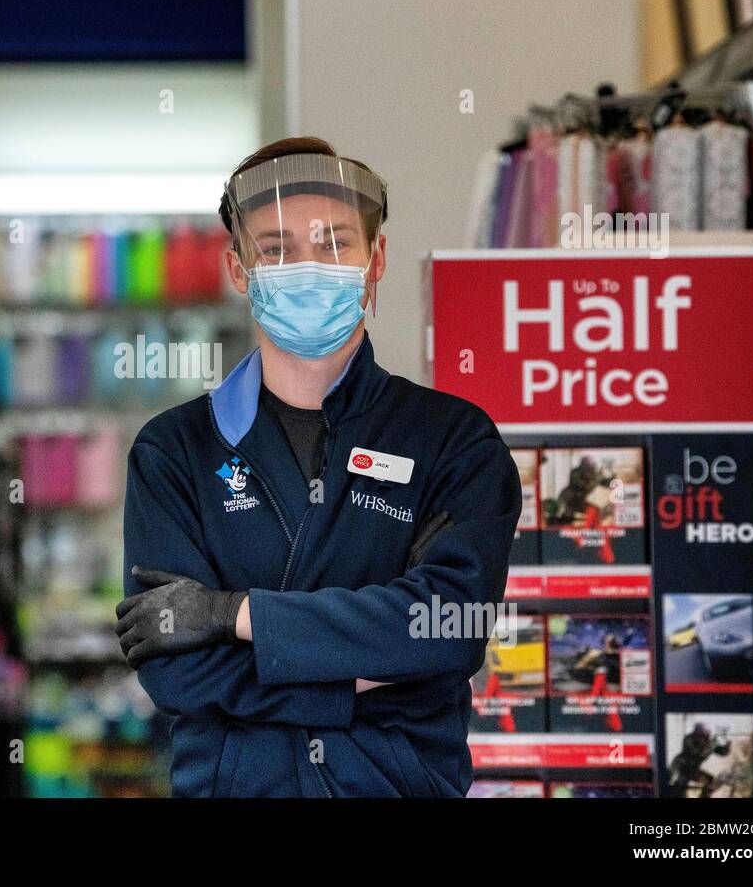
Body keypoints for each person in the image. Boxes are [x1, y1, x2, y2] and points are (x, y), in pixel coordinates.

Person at [114, 136, 522, 797]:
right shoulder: (175, 451)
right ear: (240, 270)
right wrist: (359, 674)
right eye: (276, 248)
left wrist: (233, 615)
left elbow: (449, 627)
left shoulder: (452, 441)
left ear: (376, 260)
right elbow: (174, 672)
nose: (308, 266)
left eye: (334, 243)